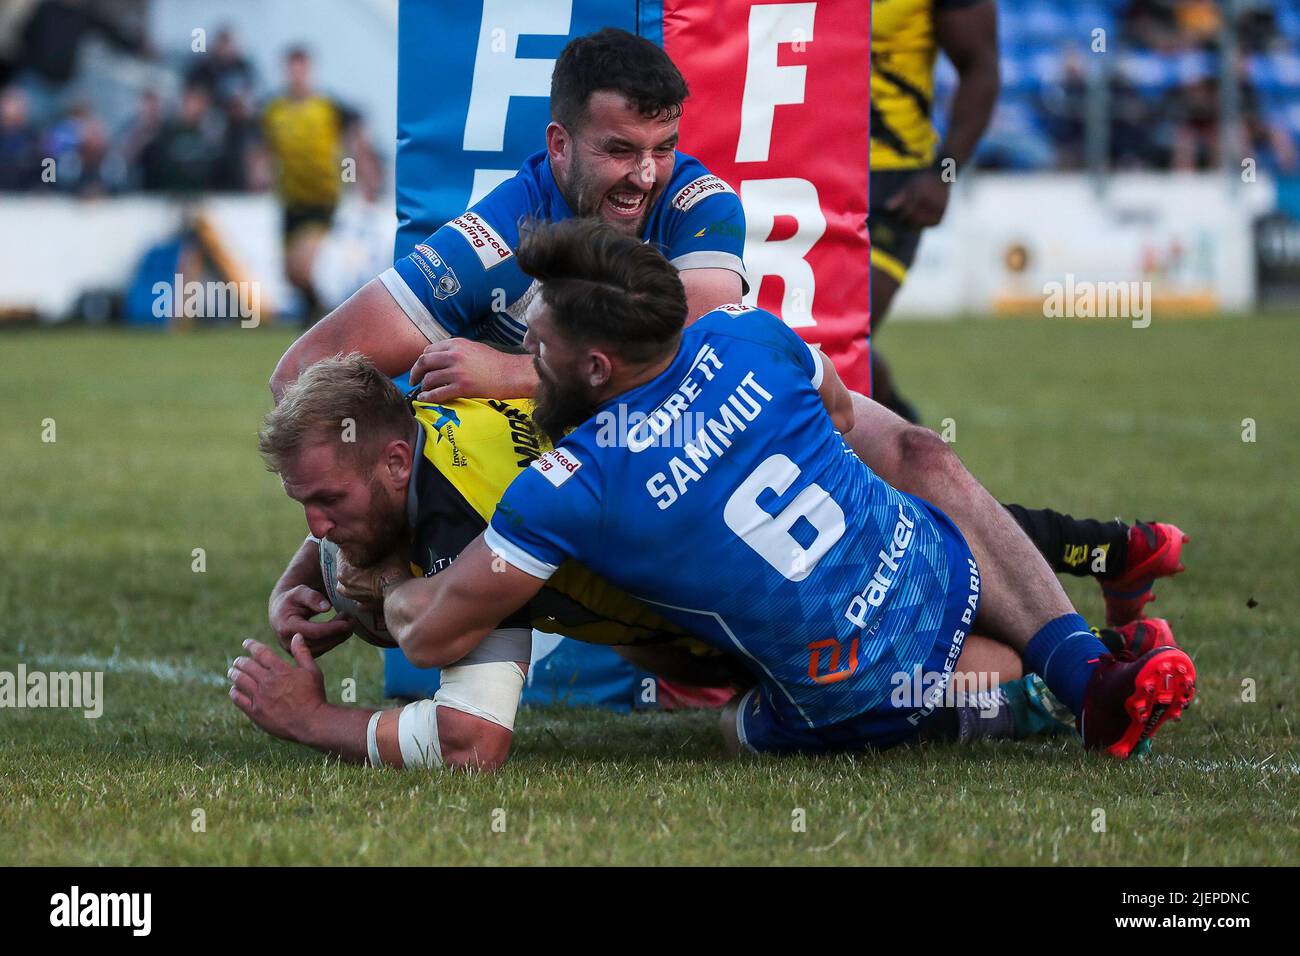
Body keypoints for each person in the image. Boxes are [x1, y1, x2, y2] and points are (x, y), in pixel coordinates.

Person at [268, 26, 1185, 631]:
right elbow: (305, 370)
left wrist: (502, 374)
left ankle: (1094, 599)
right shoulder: (501, 226)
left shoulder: (699, 198)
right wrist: (340, 544)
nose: (647, 175)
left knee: (914, 458)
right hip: (624, 513)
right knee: (844, 590)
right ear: (558, 148)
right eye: (621, 150)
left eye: (663, 147)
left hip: (730, 436)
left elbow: (683, 326)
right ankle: (1099, 572)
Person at [316, 219, 1197, 761]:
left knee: (742, 725)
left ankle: (1032, 705)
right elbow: (847, 417)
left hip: (855, 687)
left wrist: (377, 583)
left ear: (594, 365)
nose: (521, 370)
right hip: (939, 563)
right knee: (918, 475)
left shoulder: (568, 486)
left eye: (535, 354)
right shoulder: (745, 329)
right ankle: (1084, 667)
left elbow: (430, 632)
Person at [234, 353, 1166, 769]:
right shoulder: (422, 421)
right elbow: (837, 406)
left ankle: (1050, 694)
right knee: (919, 472)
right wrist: (305, 571)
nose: (318, 524)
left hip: (746, 603)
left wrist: (312, 720)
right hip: (762, 498)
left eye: (328, 506)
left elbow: (470, 743)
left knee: (820, 698)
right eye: (304, 509)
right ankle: (1104, 598)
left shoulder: (469, 527)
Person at [867, 0, 1000, 421]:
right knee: (809, 342)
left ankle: (910, 450)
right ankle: (909, 442)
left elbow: (981, 67)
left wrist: (943, 174)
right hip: (808, 174)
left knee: (834, 341)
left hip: (892, 185)